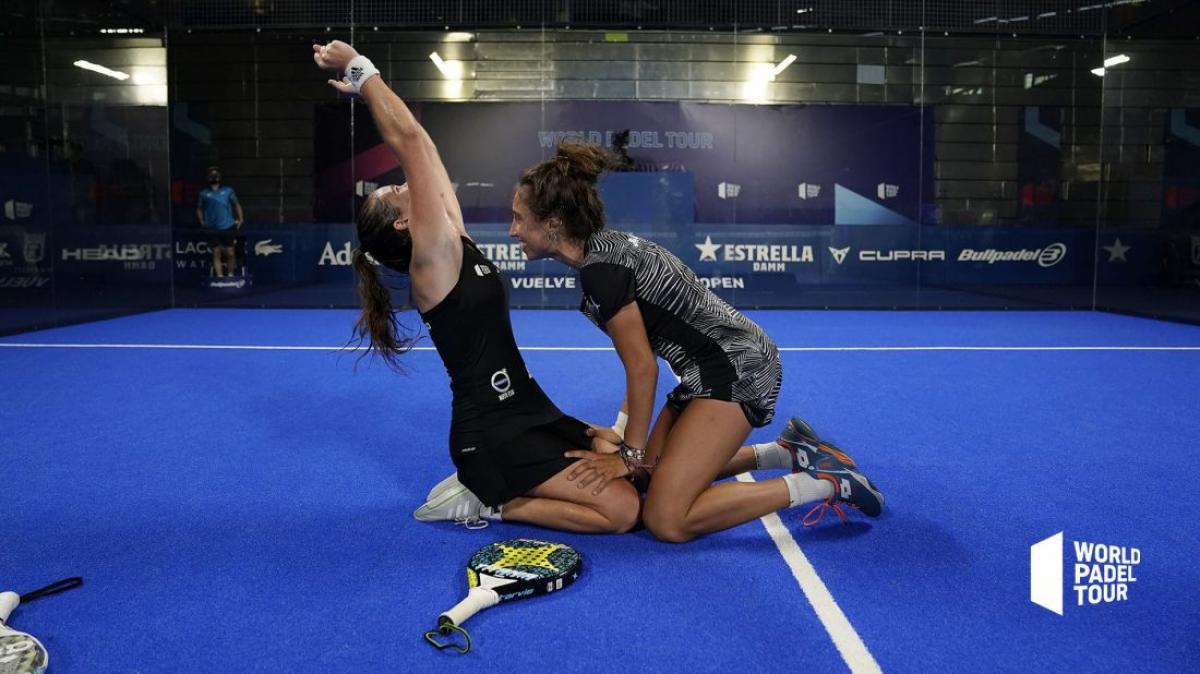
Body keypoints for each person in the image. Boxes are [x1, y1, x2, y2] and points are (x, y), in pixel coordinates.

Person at [311, 40, 638, 534]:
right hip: (491, 435)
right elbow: (412, 144)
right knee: (621, 511)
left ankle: (493, 489)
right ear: (403, 224)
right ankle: (490, 502)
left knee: (625, 467)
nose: (405, 185)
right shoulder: (432, 263)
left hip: (529, 411)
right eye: (396, 192)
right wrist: (360, 71)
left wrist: (369, 89)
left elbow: (426, 147)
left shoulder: (453, 241)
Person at [507, 142, 886, 543]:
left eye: (519, 218)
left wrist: (629, 455)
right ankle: (786, 451)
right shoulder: (605, 253)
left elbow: (642, 368)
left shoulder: (602, 272)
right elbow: (645, 356)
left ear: (552, 223)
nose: (513, 230)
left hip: (738, 370)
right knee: (646, 478)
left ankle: (828, 483)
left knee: (667, 519)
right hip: (711, 371)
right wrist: (623, 436)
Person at [196, 165, 244, 277]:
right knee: (216, 253)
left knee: (230, 253)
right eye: (211, 175)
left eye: (215, 174)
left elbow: (236, 204)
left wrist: (241, 219)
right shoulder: (203, 194)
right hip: (212, 228)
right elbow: (199, 209)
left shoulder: (228, 191)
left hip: (228, 226)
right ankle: (220, 278)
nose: (214, 176)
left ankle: (231, 275)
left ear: (219, 176)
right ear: (208, 177)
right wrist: (202, 221)